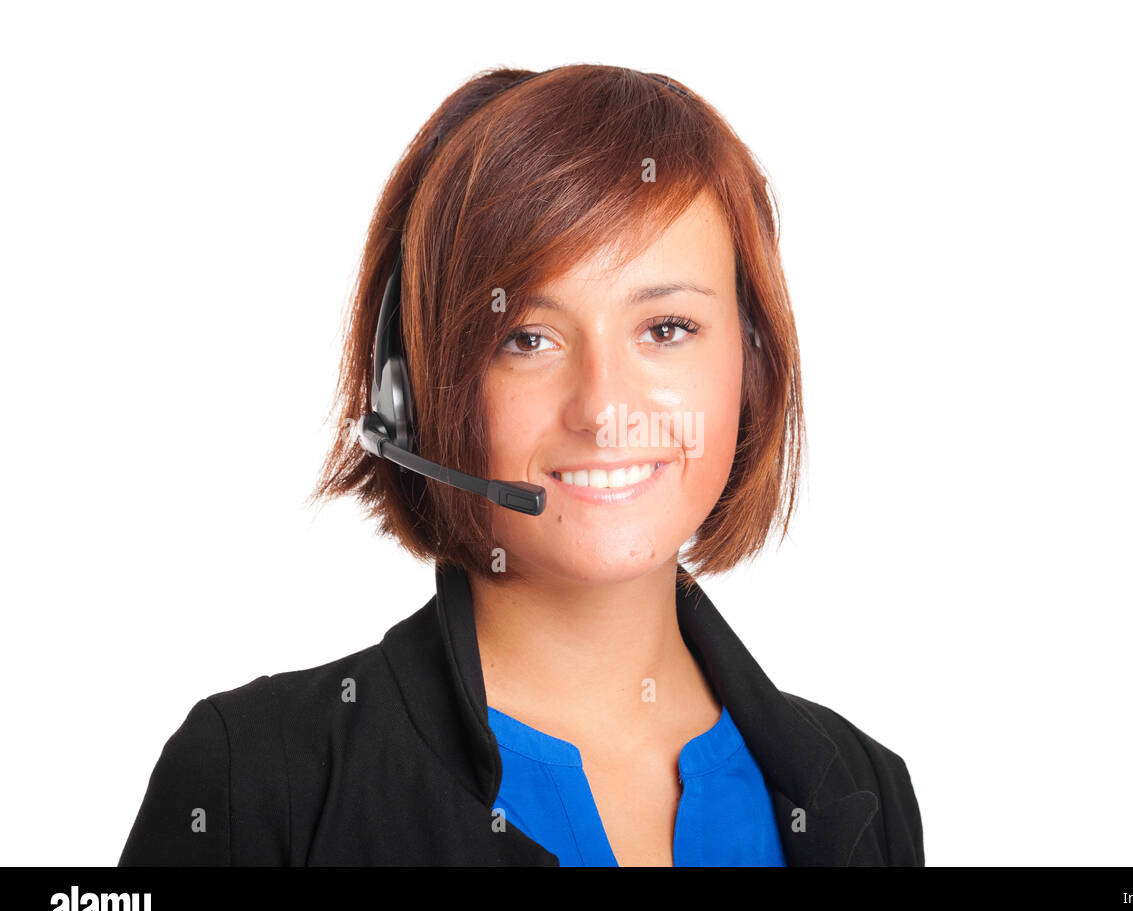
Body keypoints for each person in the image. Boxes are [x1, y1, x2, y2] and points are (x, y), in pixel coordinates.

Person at [118, 64, 923, 867]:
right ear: (415, 396)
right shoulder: (256, 781)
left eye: (668, 328)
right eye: (527, 338)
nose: (605, 409)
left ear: (752, 362)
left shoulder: (866, 794)